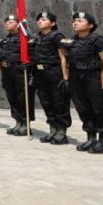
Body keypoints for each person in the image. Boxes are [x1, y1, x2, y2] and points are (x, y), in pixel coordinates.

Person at [60, 11, 103, 153]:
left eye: (80, 21)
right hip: (76, 77)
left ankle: (102, 140)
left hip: (94, 76)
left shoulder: (98, 40)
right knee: (83, 108)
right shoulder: (72, 40)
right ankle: (90, 137)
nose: (75, 23)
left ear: (90, 25)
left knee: (99, 108)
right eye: (74, 21)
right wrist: (66, 78)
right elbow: (67, 61)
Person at [31, 10, 71, 145]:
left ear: (52, 23)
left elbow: (63, 57)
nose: (40, 21)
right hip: (40, 74)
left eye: (44, 19)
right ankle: (53, 129)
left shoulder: (57, 36)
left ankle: (61, 131)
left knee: (59, 103)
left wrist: (65, 77)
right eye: (39, 20)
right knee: (46, 103)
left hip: (54, 73)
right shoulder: (36, 37)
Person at [0, 15, 34, 135]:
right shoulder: (5, 39)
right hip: (7, 71)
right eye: (6, 22)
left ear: (18, 24)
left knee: (23, 97)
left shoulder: (24, 38)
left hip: (19, 71)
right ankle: (17, 122)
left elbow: (31, 53)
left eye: (11, 22)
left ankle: (25, 124)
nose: (7, 24)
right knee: (12, 97)